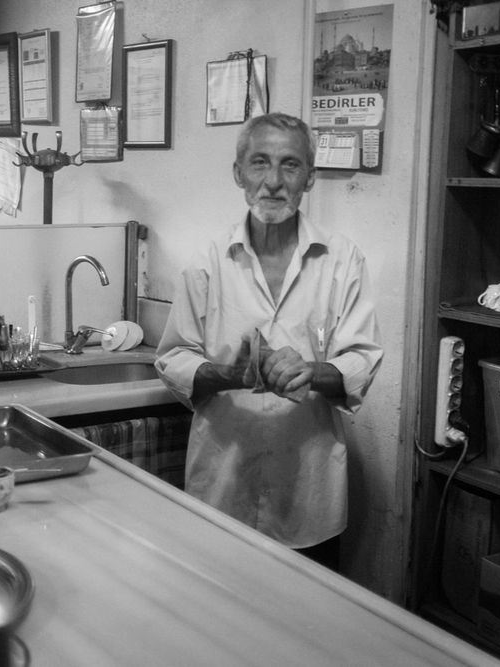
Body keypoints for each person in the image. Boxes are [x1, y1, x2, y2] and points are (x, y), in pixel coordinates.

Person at [155, 112, 383, 571]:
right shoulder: (207, 263)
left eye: (290, 165)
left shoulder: (343, 261)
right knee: (217, 623)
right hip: (222, 487)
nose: (274, 181)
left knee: (303, 627)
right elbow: (173, 355)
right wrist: (228, 375)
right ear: (238, 173)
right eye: (260, 163)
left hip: (309, 495)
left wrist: (313, 372)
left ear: (310, 178)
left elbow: (362, 357)